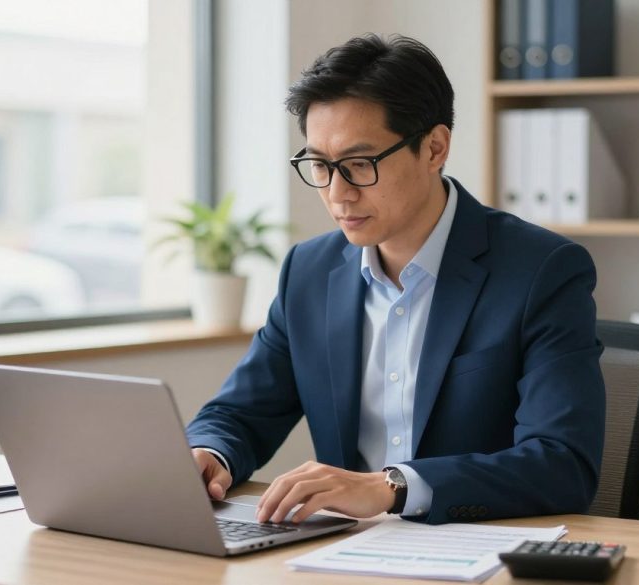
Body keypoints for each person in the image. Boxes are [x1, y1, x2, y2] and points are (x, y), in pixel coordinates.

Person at [185, 33, 605, 526]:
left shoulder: (541, 270)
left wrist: (392, 487)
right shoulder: (309, 271)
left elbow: (562, 464)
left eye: (360, 165)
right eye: (319, 165)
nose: (338, 194)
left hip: (477, 550)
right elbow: (239, 414)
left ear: (434, 147)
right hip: (342, 552)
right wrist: (209, 453)